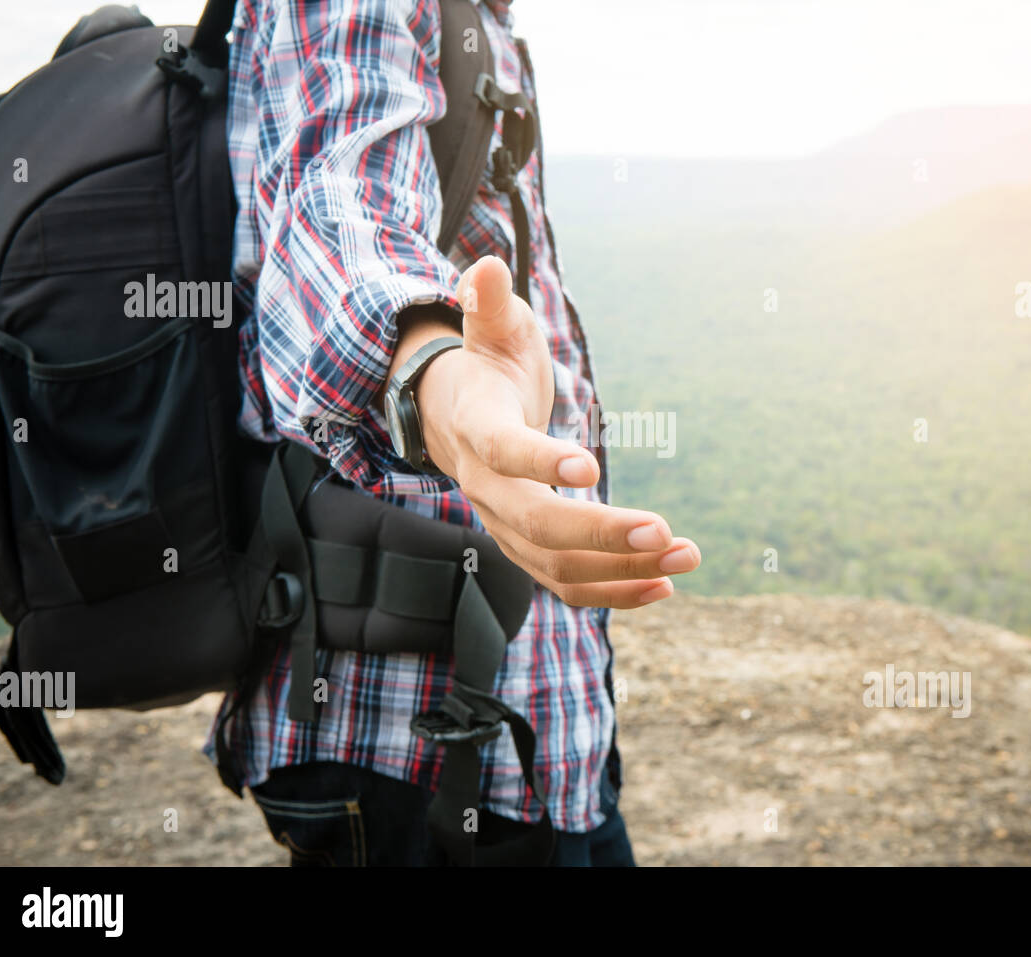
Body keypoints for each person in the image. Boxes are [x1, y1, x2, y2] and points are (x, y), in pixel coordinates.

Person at [204, 0, 701, 866]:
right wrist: (432, 379)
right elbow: (337, 206)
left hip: (534, 724)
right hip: (405, 744)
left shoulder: (481, 18)